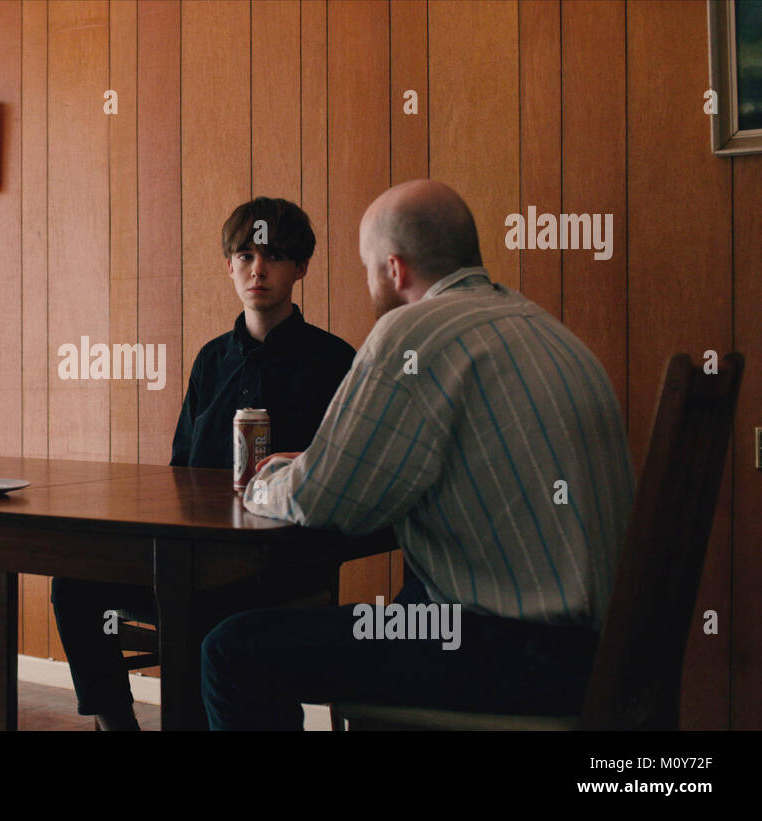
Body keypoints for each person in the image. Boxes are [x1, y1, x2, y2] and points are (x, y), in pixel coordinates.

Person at [202, 179, 635, 731]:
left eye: (366, 268)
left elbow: (325, 498)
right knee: (405, 605)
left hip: (513, 651)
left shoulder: (412, 334)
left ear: (394, 270)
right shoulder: (548, 330)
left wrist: (263, 477)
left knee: (231, 651)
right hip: (606, 648)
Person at [51, 197, 357, 731]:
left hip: (280, 565)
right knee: (75, 584)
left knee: (202, 612)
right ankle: (118, 724)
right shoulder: (211, 359)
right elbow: (179, 468)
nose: (256, 269)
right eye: (244, 256)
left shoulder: (334, 360)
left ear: (301, 267)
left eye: (273, 256)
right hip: (192, 555)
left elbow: (348, 475)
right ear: (230, 266)